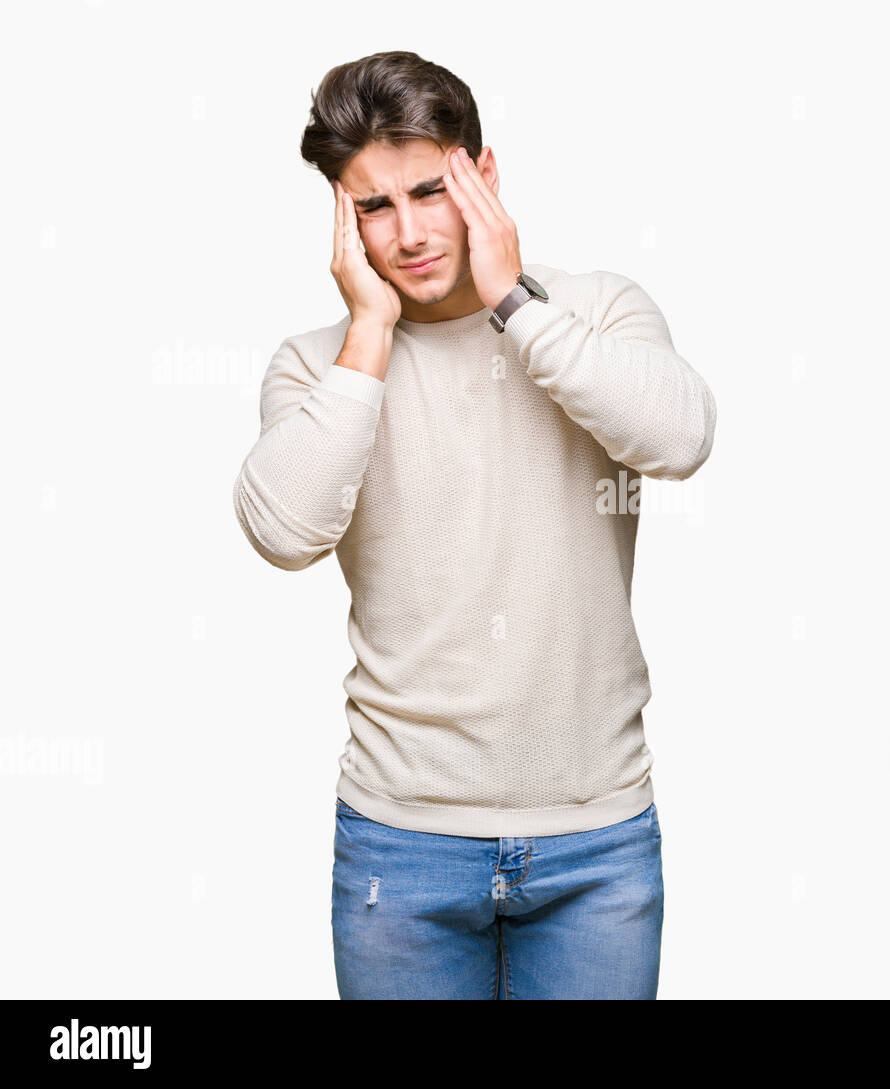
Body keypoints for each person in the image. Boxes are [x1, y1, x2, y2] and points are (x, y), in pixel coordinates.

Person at [231, 50, 717, 1000]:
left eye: (429, 190)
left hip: (597, 840)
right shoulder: (317, 366)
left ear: (482, 177)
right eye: (372, 206)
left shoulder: (595, 310)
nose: (408, 232)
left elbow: (683, 435)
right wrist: (368, 336)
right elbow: (282, 531)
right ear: (340, 216)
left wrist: (511, 303)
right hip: (399, 844)